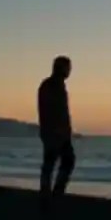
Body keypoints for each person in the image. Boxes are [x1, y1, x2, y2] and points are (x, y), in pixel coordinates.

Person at [37, 55, 75, 209]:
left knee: (51, 163)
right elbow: (54, 111)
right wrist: (59, 130)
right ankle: (53, 195)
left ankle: (49, 195)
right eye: (68, 67)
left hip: (54, 132)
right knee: (64, 161)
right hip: (56, 133)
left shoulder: (52, 85)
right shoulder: (52, 86)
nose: (70, 71)